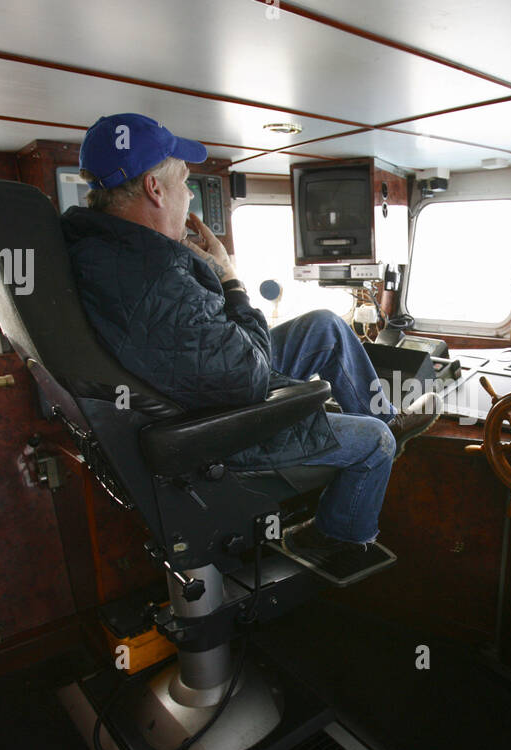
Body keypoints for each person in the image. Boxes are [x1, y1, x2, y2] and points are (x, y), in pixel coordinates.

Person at [61, 113, 439, 558]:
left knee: (324, 325)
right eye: (184, 183)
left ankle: (385, 414)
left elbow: (203, 345)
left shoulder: (104, 247)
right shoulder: (153, 275)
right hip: (220, 424)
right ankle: (338, 534)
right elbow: (247, 377)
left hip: (203, 384)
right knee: (375, 442)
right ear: (154, 189)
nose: (190, 200)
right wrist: (229, 279)